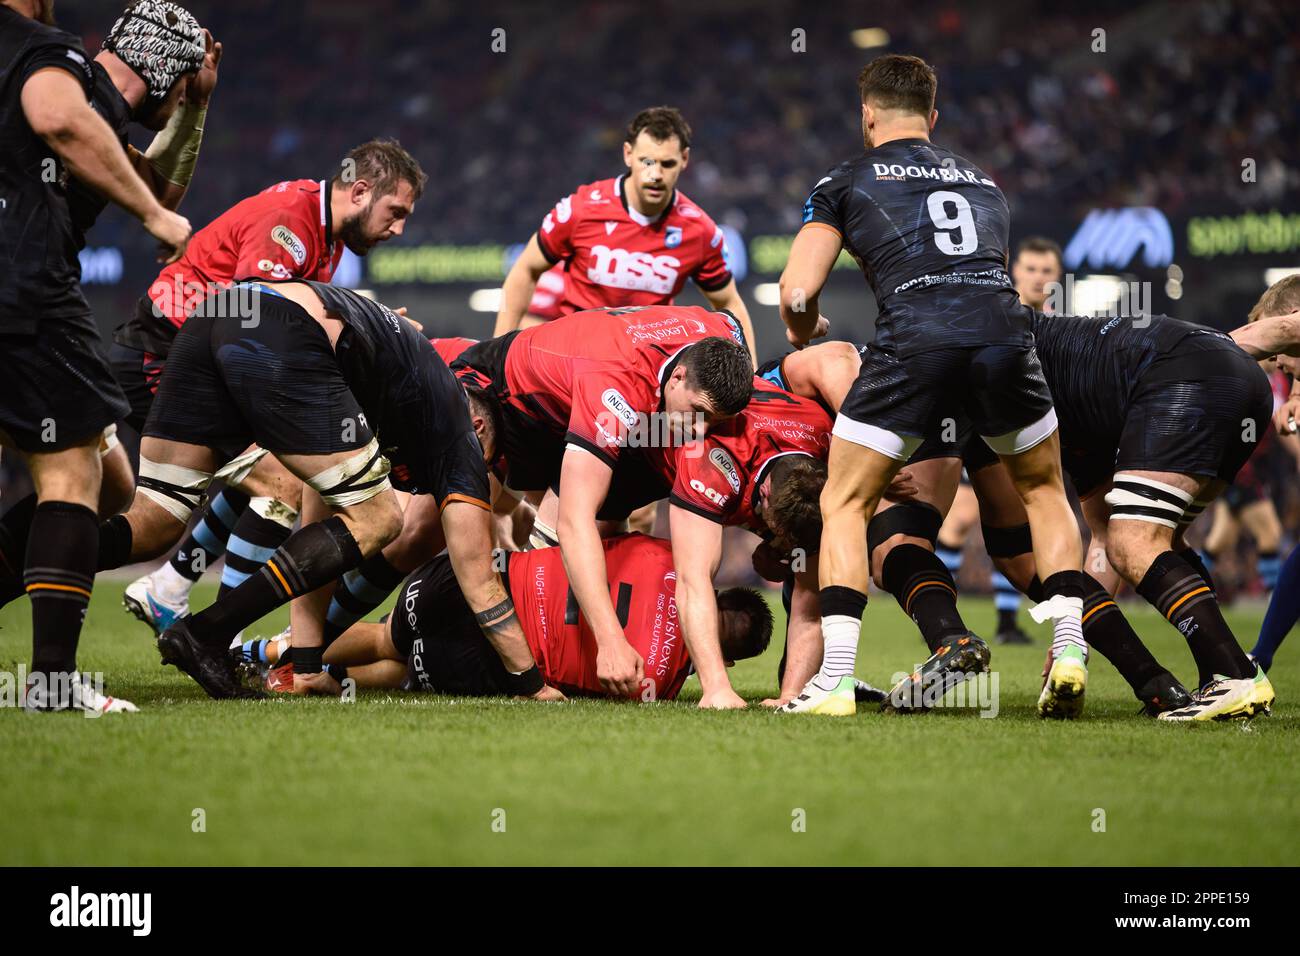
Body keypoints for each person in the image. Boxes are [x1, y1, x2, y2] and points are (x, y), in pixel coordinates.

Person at [778, 54, 1087, 715]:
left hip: (915, 342)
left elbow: (798, 288)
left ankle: (833, 679)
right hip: (1006, 336)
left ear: (867, 117)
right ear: (933, 117)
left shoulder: (845, 179)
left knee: (845, 504)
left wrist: (807, 325)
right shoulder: (984, 182)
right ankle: (1068, 648)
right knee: (1042, 490)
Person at [83, 280, 559, 703]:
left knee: (154, 521)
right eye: (490, 461)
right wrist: (531, 684)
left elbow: (321, 505)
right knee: (380, 518)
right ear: (479, 427)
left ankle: (24, 556)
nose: (485, 473)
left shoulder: (400, 394)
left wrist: (307, 665)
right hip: (277, 328)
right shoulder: (457, 434)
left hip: (217, 315)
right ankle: (208, 631)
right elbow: (477, 577)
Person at [115, 139, 425, 635]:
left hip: (194, 360)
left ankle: (169, 586)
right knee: (282, 482)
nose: (399, 228)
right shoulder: (290, 220)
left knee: (234, 485)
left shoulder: (324, 233)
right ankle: (223, 634)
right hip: (162, 355)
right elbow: (256, 321)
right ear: (362, 190)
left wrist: (365, 325)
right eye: (396, 211)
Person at [0, 0, 192, 713]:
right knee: (75, 469)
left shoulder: (86, 100)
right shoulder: (46, 58)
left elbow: (144, 176)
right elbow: (60, 115)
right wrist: (155, 219)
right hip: (26, 293)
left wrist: (189, 115)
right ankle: (50, 682)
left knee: (109, 481)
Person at [453, 303, 753, 706]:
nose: (700, 429)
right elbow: (574, 522)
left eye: (713, 421)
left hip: (600, 396)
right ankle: (512, 634)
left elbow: (733, 318)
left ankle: (539, 625)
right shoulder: (615, 384)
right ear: (678, 376)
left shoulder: (725, 336)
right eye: (698, 413)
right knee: (422, 532)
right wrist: (611, 641)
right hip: (514, 400)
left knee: (612, 518)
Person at [246, 534, 772, 703]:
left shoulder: (670, 555)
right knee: (403, 667)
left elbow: (604, 533)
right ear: (723, 658)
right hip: (489, 663)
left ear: (713, 596)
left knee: (387, 635)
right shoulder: (656, 683)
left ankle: (265, 652)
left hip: (483, 582)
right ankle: (304, 681)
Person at [493, 106, 756, 365]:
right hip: (574, 359)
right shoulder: (581, 209)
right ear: (628, 154)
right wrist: (497, 353)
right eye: (647, 162)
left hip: (645, 365)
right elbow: (525, 270)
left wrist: (751, 378)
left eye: (667, 164)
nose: (655, 175)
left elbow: (730, 303)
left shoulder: (699, 231)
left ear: (684, 159)